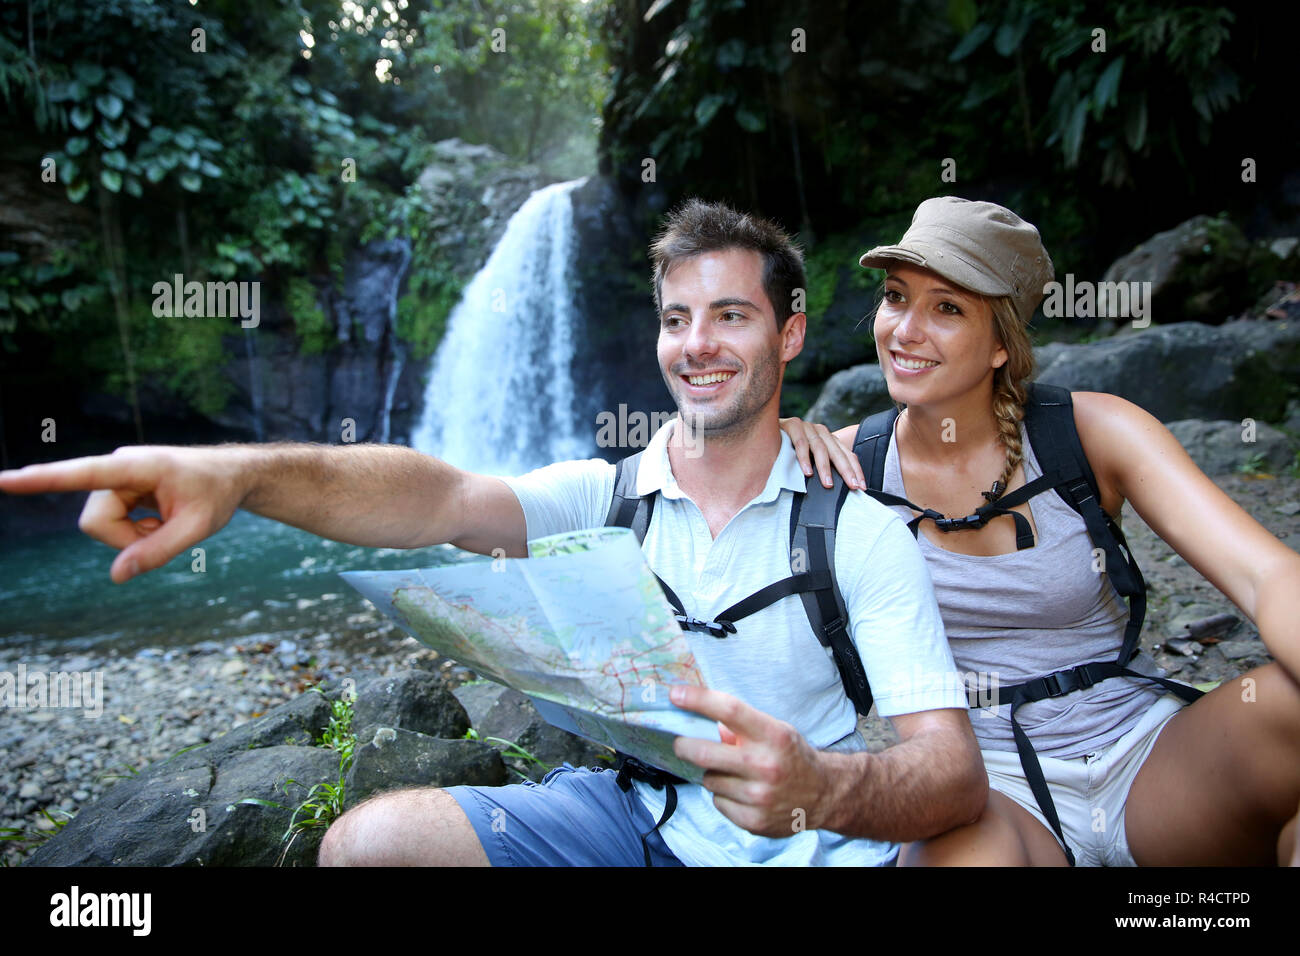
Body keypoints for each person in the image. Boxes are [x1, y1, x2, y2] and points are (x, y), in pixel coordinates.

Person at [0, 199, 985, 867]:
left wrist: (822, 784)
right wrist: (244, 473)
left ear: (791, 331)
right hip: (635, 811)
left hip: (810, 840)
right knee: (365, 843)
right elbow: (438, 496)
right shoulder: (604, 495)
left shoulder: (852, 529)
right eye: (677, 317)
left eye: (730, 315)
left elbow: (950, 774)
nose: (696, 346)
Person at [780, 195, 1300, 866]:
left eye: (947, 308)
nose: (904, 330)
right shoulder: (842, 470)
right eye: (895, 297)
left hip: (1149, 762)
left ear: (1001, 343)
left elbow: (1266, 576)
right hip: (987, 789)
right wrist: (768, 446)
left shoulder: (1091, 432)